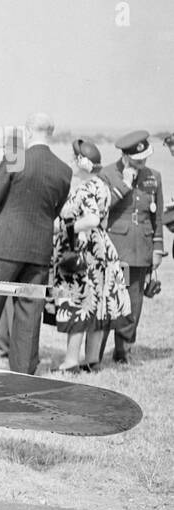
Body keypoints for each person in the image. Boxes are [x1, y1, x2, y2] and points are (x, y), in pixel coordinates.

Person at [0, 113, 72, 375]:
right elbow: (55, 210)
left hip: (4, 247)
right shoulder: (63, 170)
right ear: (50, 133)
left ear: (29, 131)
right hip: (39, 251)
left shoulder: (15, 157)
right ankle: (23, 377)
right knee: (30, 317)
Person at [49, 140, 129, 373]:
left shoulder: (85, 188)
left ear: (83, 163)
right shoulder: (101, 185)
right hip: (102, 251)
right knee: (99, 306)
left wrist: (67, 228)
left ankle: (71, 361)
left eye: (75, 159)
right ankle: (92, 359)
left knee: (77, 304)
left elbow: (92, 219)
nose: (72, 162)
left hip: (83, 254)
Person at [98, 130, 164, 364]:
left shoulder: (154, 177)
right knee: (111, 300)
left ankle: (123, 351)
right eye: (137, 160)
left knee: (133, 303)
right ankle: (95, 354)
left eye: (145, 159)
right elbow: (101, 208)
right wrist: (125, 184)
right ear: (125, 156)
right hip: (118, 252)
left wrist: (157, 248)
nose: (142, 164)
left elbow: (156, 218)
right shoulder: (107, 174)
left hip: (141, 251)